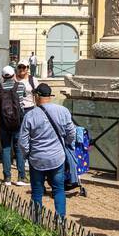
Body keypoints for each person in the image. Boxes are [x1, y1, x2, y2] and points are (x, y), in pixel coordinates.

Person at [18, 83, 76, 220]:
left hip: (37, 158)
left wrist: (27, 154)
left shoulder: (30, 115)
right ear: (50, 96)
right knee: (58, 190)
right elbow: (72, 133)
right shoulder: (63, 111)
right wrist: (67, 144)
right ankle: (60, 220)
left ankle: (36, 221)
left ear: (37, 96)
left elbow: (22, 141)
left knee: (37, 192)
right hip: (57, 157)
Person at [0, 65, 28, 187]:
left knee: (6, 149)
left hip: (4, 122)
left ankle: (7, 178)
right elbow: (23, 97)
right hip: (18, 122)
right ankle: (21, 177)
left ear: (3, 76)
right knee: (18, 149)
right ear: (14, 74)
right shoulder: (20, 86)